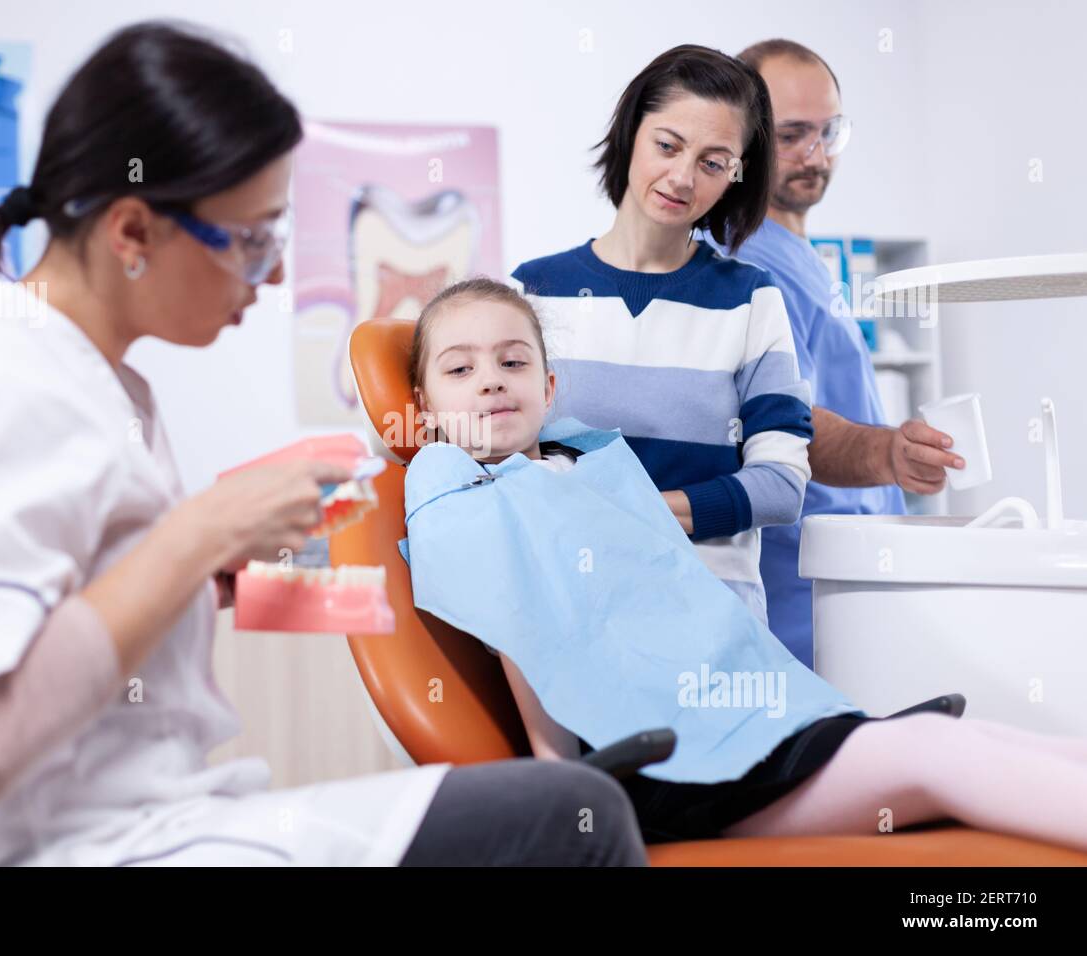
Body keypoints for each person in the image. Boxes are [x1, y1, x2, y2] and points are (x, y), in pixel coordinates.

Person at [0, 21, 647, 867]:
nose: (276, 274)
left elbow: (70, 610)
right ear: (133, 233)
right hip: (49, 851)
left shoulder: (88, 380)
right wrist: (199, 531)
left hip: (141, 824)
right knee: (570, 816)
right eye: (252, 239)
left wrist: (223, 577)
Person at [403, 275, 1087, 851]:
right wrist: (566, 783)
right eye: (460, 370)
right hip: (674, 770)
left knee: (978, 740)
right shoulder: (473, 500)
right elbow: (529, 637)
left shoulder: (581, 473)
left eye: (512, 362)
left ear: (550, 389)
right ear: (426, 411)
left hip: (750, 726)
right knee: (935, 755)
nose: (491, 382)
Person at [512, 44, 810, 625]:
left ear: (736, 175)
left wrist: (621, 509)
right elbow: (498, 461)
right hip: (568, 611)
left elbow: (780, 486)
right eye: (667, 145)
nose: (681, 177)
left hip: (711, 620)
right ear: (631, 133)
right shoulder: (531, 292)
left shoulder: (750, 300)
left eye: (713, 161)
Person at [705, 39, 963, 665]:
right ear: (742, 139)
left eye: (830, 132)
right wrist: (888, 453)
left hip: (857, 562)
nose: (815, 156)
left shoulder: (801, 260)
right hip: (805, 585)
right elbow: (785, 425)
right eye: (792, 134)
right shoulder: (747, 267)